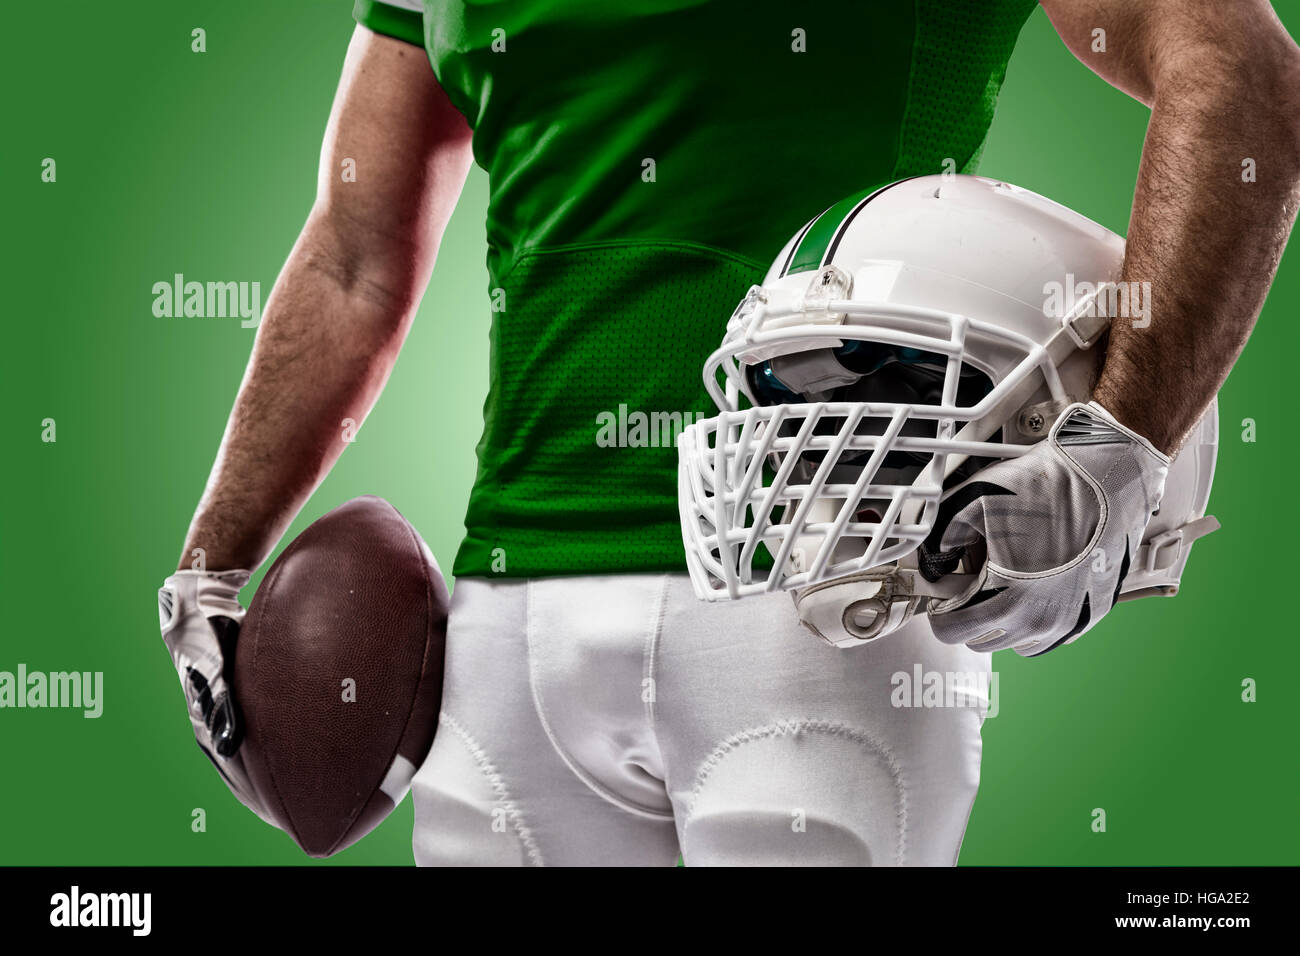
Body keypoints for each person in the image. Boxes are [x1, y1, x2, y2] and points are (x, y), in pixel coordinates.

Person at [158, 0, 1300, 865]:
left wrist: (1114, 449)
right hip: (500, 629)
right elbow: (355, 255)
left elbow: (1242, 78)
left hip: (829, 590)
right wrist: (210, 565)